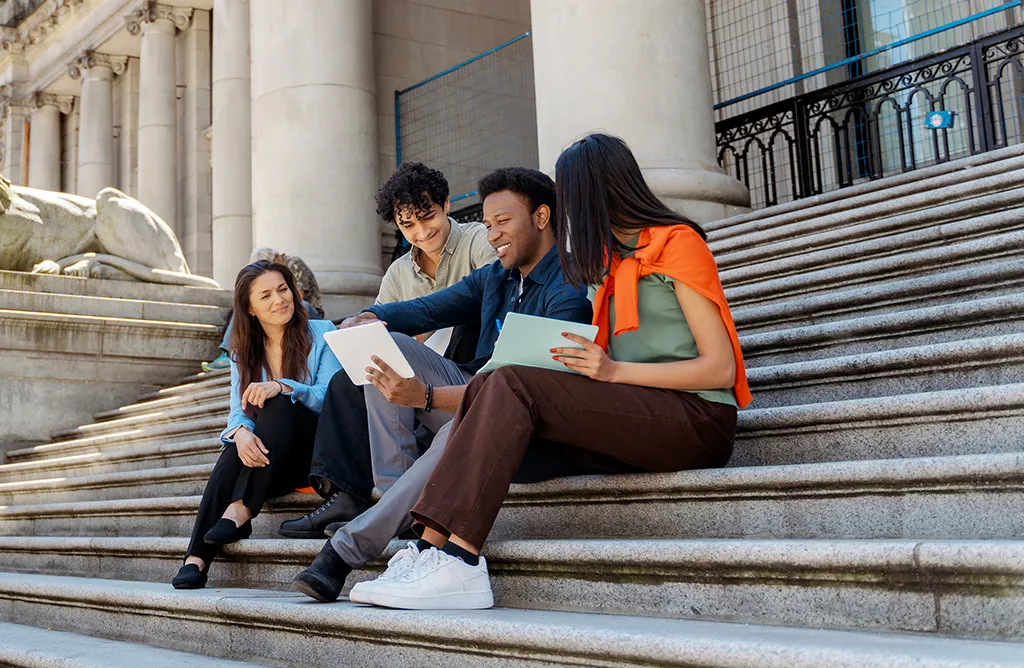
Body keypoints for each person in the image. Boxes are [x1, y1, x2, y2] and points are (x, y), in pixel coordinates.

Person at [337, 133, 752, 610]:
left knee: (509, 381)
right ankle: (427, 549)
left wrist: (612, 371)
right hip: (635, 414)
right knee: (503, 417)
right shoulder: (602, 265)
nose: (567, 211)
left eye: (570, 196)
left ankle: (460, 561)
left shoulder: (677, 243)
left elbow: (719, 368)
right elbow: (431, 310)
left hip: (697, 419)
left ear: (598, 191)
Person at [290, 167, 593, 603]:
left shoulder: (568, 291)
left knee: (462, 427)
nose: (492, 236)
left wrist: (427, 397)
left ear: (542, 216)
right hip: (475, 391)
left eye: (502, 223)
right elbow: (427, 309)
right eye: (488, 225)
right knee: (385, 346)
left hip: (521, 416)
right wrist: (373, 318)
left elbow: (525, 391)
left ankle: (345, 551)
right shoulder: (497, 277)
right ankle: (404, 517)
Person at [276, 162, 496, 538]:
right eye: (408, 226)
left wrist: (411, 330)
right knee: (351, 379)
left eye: (428, 218)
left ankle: (392, 503)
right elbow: (380, 335)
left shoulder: (477, 239)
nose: (421, 232)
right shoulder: (398, 273)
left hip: (466, 365)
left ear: (445, 204)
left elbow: (489, 294)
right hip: (414, 371)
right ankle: (345, 494)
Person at [172, 260, 342, 589]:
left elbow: (328, 397)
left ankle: (241, 510)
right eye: (265, 296)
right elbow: (239, 412)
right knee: (236, 446)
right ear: (250, 309)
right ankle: (196, 559)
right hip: (271, 462)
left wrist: (285, 386)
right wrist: (241, 433)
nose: (279, 300)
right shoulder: (244, 354)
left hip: (312, 452)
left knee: (277, 401)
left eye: (283, 290)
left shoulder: (323, 333)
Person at [202, 248, 324, 372]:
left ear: (275, 259)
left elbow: (297, 296)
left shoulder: (293, 263)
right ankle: (228, 351)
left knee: (300, 303)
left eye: (282, 289)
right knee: (246, 305)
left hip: (309, 311)